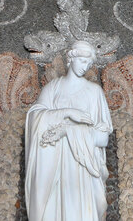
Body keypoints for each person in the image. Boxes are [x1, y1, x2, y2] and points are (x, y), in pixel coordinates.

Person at [24, 40, 113, 221]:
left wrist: (67, 131)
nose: (85, 67)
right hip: (53, 167)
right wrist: (68, 113)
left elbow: (103, 138)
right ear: (70, 59)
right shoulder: (52, 89)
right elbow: (35, 120)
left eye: (88, 64)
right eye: (82, 61)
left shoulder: (95, 92)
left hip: (82, 169)